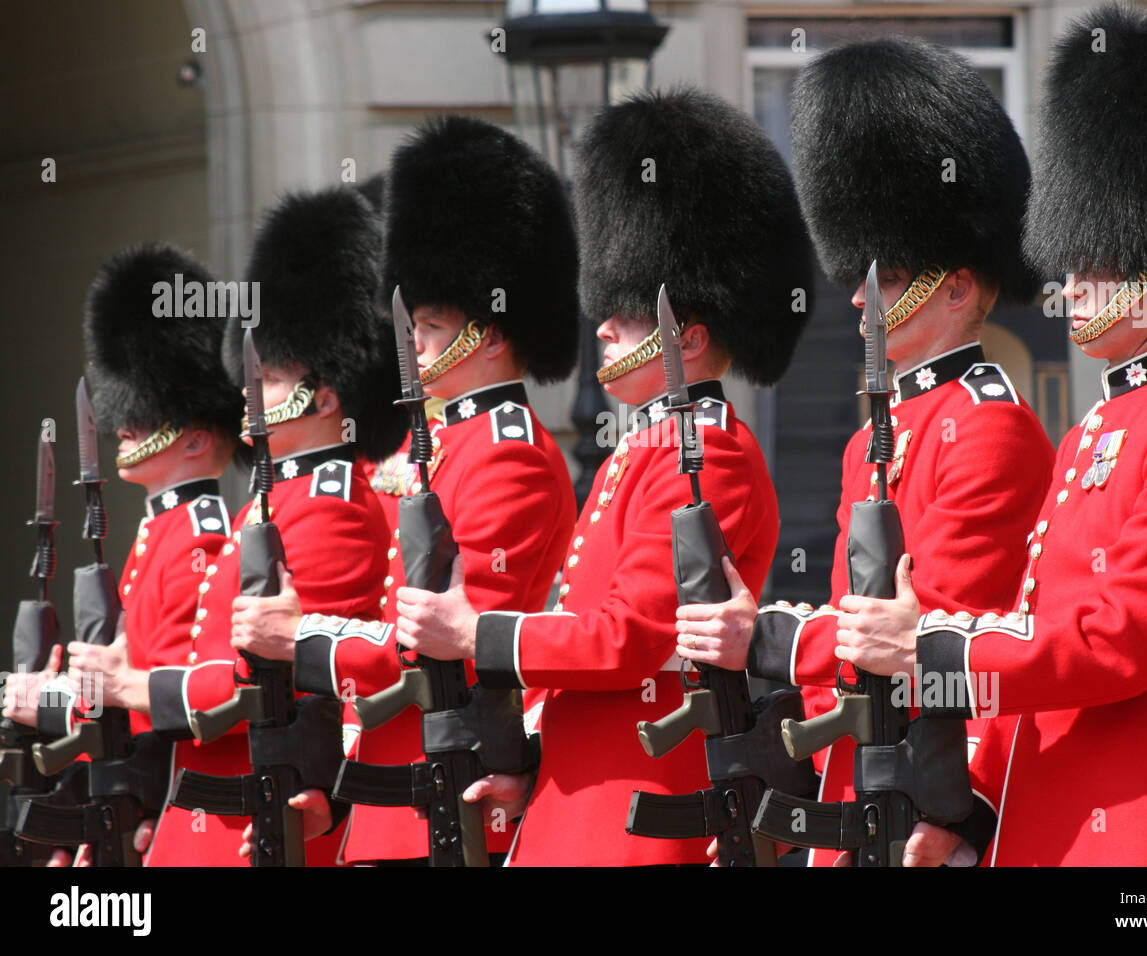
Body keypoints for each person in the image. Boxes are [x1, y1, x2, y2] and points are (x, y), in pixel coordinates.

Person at [832, 3, 1147, 867]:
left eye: (1096, 256)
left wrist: (927, 649)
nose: (1070, 281)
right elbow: (1034, 633)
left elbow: (1117, 644)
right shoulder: (1093, 432)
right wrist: (965, 809)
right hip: (1043, 797)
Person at [391, 87, 815, 865]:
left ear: (686, 338)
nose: (604, 326)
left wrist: (474, 633)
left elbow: (628, 641)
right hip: (579, 794)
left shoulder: (708, 451)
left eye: (625, 312)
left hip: (642, 802)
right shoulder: (645, 446)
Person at [673, 36, 1055, 865]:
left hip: (926, 792)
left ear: (954, 286)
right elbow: (857, 639)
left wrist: (765, 638)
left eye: (884, 278)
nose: (855, 294)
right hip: (857, 782)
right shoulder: (872, 439)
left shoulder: (990, 424)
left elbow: (941, 641)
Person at [230, 116, 580, 864]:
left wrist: (303, 640)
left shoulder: (505, 454)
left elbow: (457, 643)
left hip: (455, 781)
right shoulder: (440, 447)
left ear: (485, 333)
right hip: (392, 780)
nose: (409, 345)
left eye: (426, 324)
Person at [77, 188, 406, 866]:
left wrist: (133, 685)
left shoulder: (330, 503)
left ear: (328, 395)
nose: (250, 392)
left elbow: (279, 678)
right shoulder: (279, 499)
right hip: (208, 814)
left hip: (260, 820)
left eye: (275, 377)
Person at [3, 243, 242, 864]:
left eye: (146, 411)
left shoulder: (199, 535)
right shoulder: (157, 531)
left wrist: (55, 703)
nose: (125, 426)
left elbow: (155, 698)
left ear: (195, 437)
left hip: (163, 804)